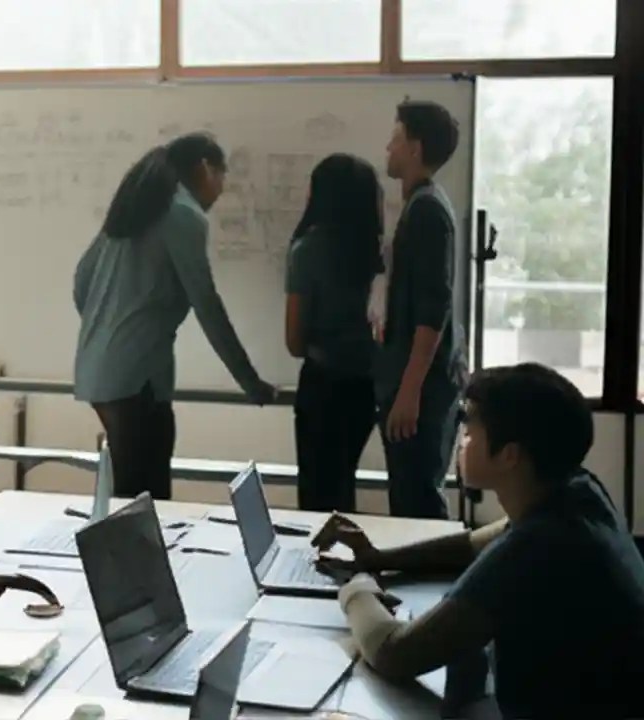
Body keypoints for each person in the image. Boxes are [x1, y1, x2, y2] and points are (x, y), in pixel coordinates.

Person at [314, 364, 644, 719]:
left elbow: (393, 653)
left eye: (469, 429)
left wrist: (356, 587)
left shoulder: (538, 547)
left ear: (510, 455)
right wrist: (379, 559)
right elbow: (472, 544)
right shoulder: (578, 490)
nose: (461, 441)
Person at [73, 132, 275, 500]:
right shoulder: (183, 214)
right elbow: (207, 304)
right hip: (137, 376)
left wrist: (106, 326)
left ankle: (128, 539)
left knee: (130, 488)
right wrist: (250, 381)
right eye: (222, 176)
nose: (222, 188)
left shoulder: (136, 209)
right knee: (147, 493)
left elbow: (81, 281)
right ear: (205, 168)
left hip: (97, 370)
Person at [377, 101, 467, 519]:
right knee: (410, 498)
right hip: (418, 381)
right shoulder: (421, 204)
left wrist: (409, 391)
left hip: (423, 389)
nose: (388, 148)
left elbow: (435, 310)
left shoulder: (427, 209)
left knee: (418, 506)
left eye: (395, 139)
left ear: (414, 148)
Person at [285, 154, 384, 513]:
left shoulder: (307, 250)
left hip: (322, 385)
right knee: (342, 486)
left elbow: (294, 341)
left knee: (317, 496)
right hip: (366, 386)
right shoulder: (376, 251)